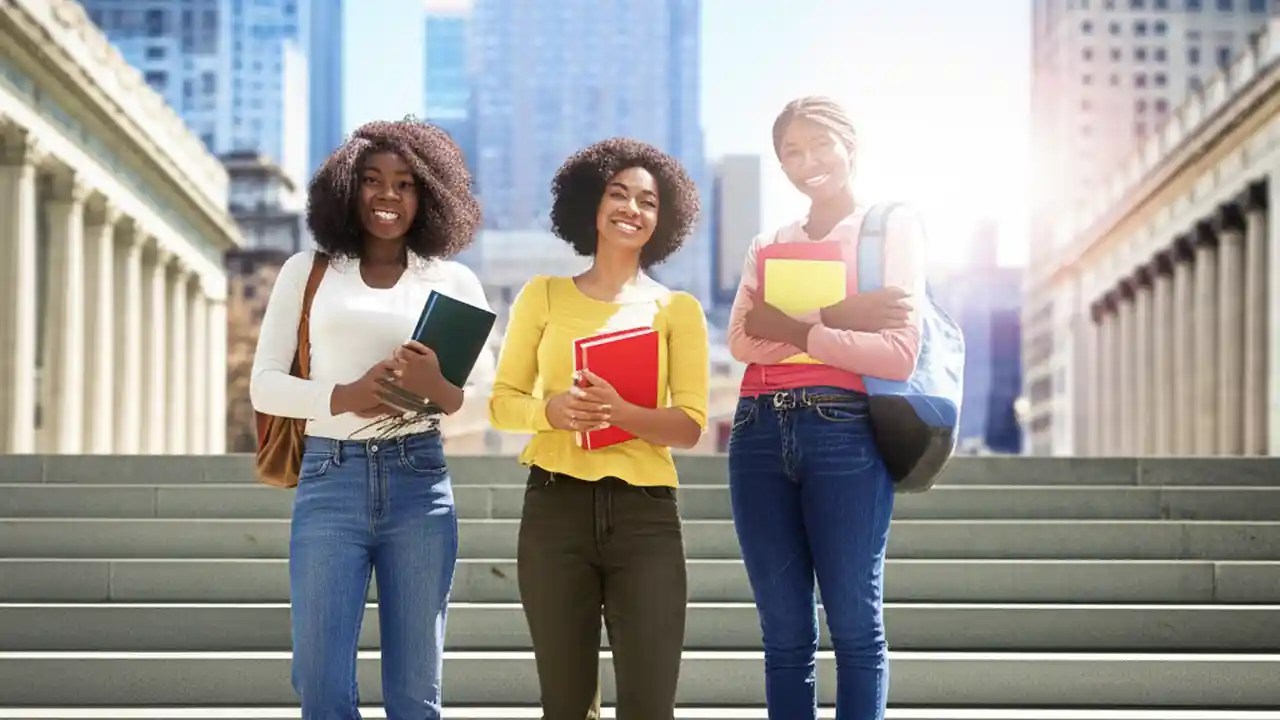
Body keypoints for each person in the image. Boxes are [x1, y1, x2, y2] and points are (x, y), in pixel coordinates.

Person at [250, 118, 491, 719]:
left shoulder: (453, 280)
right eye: (372, 180)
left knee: (416, 695)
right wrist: (346, 394)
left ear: (428, 193)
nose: (389, 194)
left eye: (406, 183)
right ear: (346, 189)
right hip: (331, 477)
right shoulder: (307, 271)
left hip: (420, 481)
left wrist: (437, 386)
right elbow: (265, 386)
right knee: (322, 687)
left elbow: (490, 395)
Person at [488, 137, 709, 719]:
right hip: (554, 512)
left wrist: (622, 413)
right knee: (565, 707)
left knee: (649, 706)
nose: (632, 208)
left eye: (648, 201)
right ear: (591, 202)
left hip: (646, 519)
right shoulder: (543, 295)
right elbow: (502, 404)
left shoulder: (677, 310)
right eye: (618, 194)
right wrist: (552, 411)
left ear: (664, 220)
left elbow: (688, 427)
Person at [726, 96, 926, 719]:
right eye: (790, 151)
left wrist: (793, 328)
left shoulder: (890, 228)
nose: (806, 161)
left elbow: (897, 353)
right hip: (757, 431)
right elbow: (740, 341)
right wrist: (838, 316)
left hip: (844, 431)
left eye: (819, 145)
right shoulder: (769, 242)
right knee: (783, 635)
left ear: (849, 146)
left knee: (856, 627)